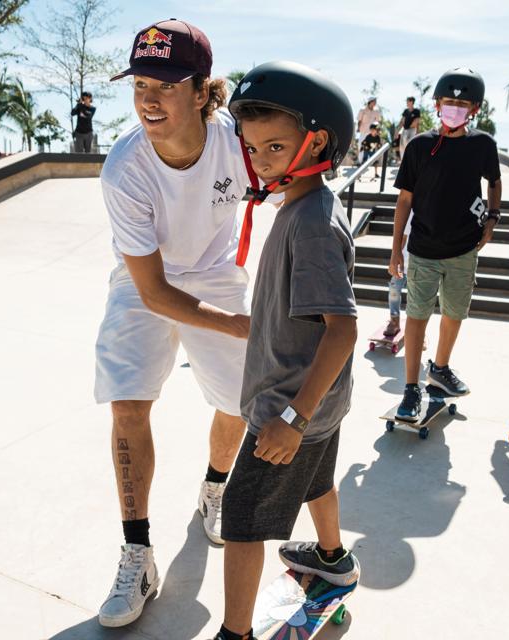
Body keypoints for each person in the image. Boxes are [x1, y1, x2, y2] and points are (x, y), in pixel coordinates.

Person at [95, 19, 252, 627]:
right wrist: (242, 327)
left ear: (201, 90)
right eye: (139, 83)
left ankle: (215, 488)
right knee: (127, 402)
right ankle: (137, 551)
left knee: (239, 401)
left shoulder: (237, 143)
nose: (148, 99)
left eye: (164, 83)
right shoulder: (124, 169)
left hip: (214, 274)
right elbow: (155, 291)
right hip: (145, 283)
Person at [212, 60, 360, 640]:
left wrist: (292, 419)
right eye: (252, 148)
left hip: (289, 411)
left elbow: (342, 329)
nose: (261, 158)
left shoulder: (312, 222)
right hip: (316, 407)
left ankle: (235, 633)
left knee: (242, 520)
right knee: (318, 481)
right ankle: (329, 559)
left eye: (275, 144)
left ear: (317, 141)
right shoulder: (300, 209)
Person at [390, 68, 501, 421]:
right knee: (417, 316)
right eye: (449, 102)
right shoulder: (420, 146)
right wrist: (396, 249)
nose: (455, 108)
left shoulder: (482, 144)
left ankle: (440, 367)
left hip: (464, 249)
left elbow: (495, 182)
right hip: (423, 247)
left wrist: (493, 218)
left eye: (463, 104)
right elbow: (404, 201)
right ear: (437, 104)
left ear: (475, 109)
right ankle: (410, 387)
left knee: (454, 313)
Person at [356, 96, 381, 163]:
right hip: (363, 132)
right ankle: (360, 162)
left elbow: (378, 122)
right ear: (370, 102)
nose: (375, 103)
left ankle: (370, 163)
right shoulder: (362, 110)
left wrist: (378, 132)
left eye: (375, 101)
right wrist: (358, 129)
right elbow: (359, 120)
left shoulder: (377, 111)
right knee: (361, 146)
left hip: (372, 134)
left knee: (372, 148)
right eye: (374, 101)